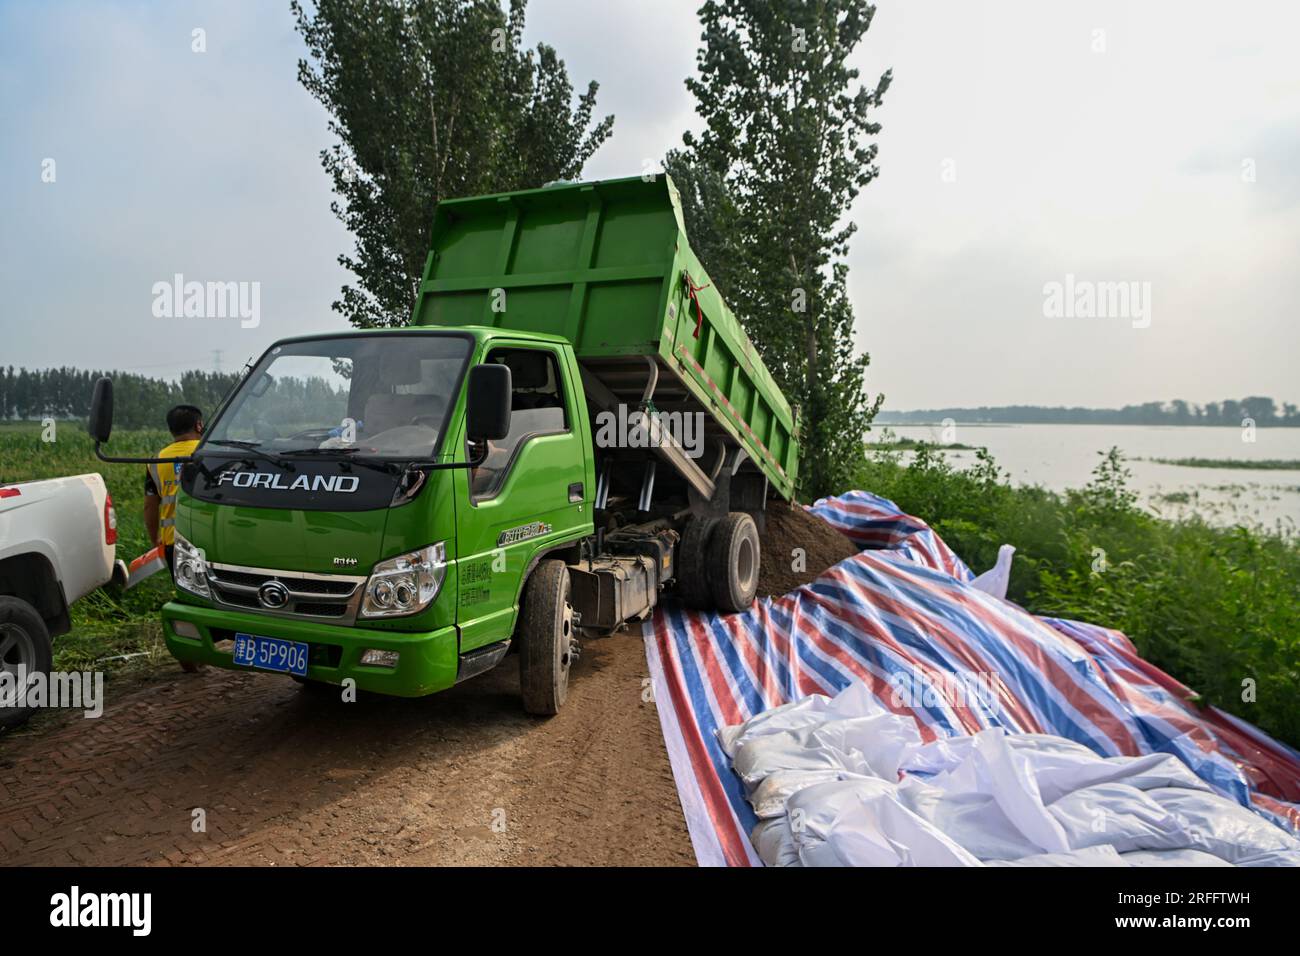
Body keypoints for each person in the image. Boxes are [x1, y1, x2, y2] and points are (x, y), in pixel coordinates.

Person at [143, 404, 203, 571]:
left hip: (173, 541)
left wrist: (155, 539)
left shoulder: (156, 460)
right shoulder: (210, 453)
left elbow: (150, 506)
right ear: (199, 425)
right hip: (206, 538)